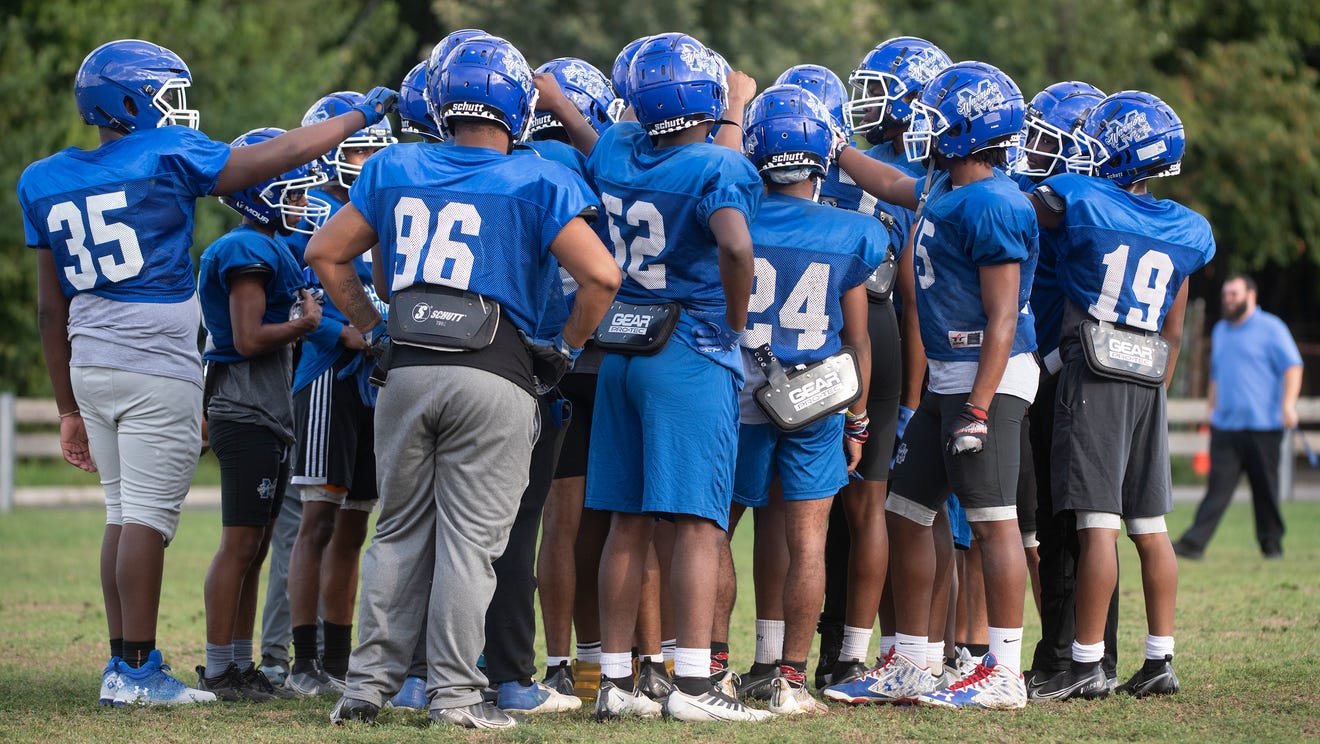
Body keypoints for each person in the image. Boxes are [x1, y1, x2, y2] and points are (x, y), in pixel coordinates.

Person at [18, 37, 395, 707]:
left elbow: (51, 309)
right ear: (130, 98)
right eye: (168, 94)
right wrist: (355, 119)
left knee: (120, 513)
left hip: (89, 360)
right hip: (152, 362)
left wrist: (66, 405)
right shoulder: (166, 154)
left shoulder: (43, 177)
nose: (179, 110)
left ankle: (120, 662)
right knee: (147, 521)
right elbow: (271, 158)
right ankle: (137, 670)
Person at [309, 35, 618, 729]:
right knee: (472, 545)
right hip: (496, 371)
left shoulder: (395, 166)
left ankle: (365, 688)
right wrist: (563, 350)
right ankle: (453, 696)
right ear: (516, 104)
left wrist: (376, 328)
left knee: (397, 533)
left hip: (410, 369)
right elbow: (602, 277)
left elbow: (326, 255)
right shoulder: (541, 177)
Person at [824, 60, 1038, 710]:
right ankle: (914, 662)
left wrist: (976, 407)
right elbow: (891, 180)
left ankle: (1004, 672)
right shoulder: (945, 185)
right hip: (951, 382)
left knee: (994, 522)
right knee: (907, 513)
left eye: (939, 117)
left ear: (969, 128)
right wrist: (836, 149)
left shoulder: (995, 202)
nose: (926, 126)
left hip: (986, 384)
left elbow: (1003, 317)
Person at [581, 32, 769, 723]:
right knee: (695, 525)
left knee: (626, 523)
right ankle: (693, 686)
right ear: (710, 100)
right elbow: (736, 244)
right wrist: (738, 319)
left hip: (623, 349)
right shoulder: (721, 167)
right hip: (689, 346)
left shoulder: (616, 150)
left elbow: (617, 130)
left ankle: (615, 684)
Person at [1030, 90, 1214, 700]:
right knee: (1151, 526)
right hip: (1148, 377)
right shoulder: (1188, 227)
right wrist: (1156, 381)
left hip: (1097, 374)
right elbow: (1175, 328)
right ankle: (1160, 658)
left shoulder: (1081, 199)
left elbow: (1031, 208)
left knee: (1097, 525)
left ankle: (1086, 665)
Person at [727, 84, 886, 715]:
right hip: (816, 395)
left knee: (714, 532)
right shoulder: (854, 231)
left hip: (739, 391)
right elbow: (858, 340)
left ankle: (711, 664)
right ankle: (789, 678)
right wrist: (861, 415)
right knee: (808, 540)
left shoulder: (735, 218)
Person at [196, 128, 327, 702]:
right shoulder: (244, 248)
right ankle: (219, 666)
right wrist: (303, 324)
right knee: (239, 543)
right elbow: (249, 339)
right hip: (244, 407)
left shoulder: (271, 248)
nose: (301, 205)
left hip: (265, 410)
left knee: (256, 543)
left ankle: (239, 664)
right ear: (262, 193)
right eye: (293, 194)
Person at [1012, 80, 1125, 696]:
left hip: (1064, 372)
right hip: (1071, 367)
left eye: (1045, 142)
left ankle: (1069, 655)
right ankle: (1088, 651)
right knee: (1080, 522)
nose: (1031, 153)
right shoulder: (1090, 203)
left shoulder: (1075, 204)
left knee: (1067, 521)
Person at [283, 90, 395, 697]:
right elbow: (305, 300)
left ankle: (339, 654)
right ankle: (304, 661)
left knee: (355, 526)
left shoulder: (382, 204)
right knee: (318, 521)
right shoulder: (313, 209)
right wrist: (347, 331)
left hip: (375, 380)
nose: (369, 158)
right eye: (357, 147)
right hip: (330, 377)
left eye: (376, 147)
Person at [1174, 275, 1302, 559]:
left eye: (1233, 293)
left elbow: (1293, 367)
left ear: (1251, 295)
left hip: (1263, 426)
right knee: (1217, 490)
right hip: (1226, 426)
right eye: (1225, 294)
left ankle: (1272, 546)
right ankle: (1194, 544)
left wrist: (1288, 405)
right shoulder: (1221, 331)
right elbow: (1217, 374)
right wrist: (1212, 408)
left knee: (1265, 490)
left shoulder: (1272, 328)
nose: (1227, 299)